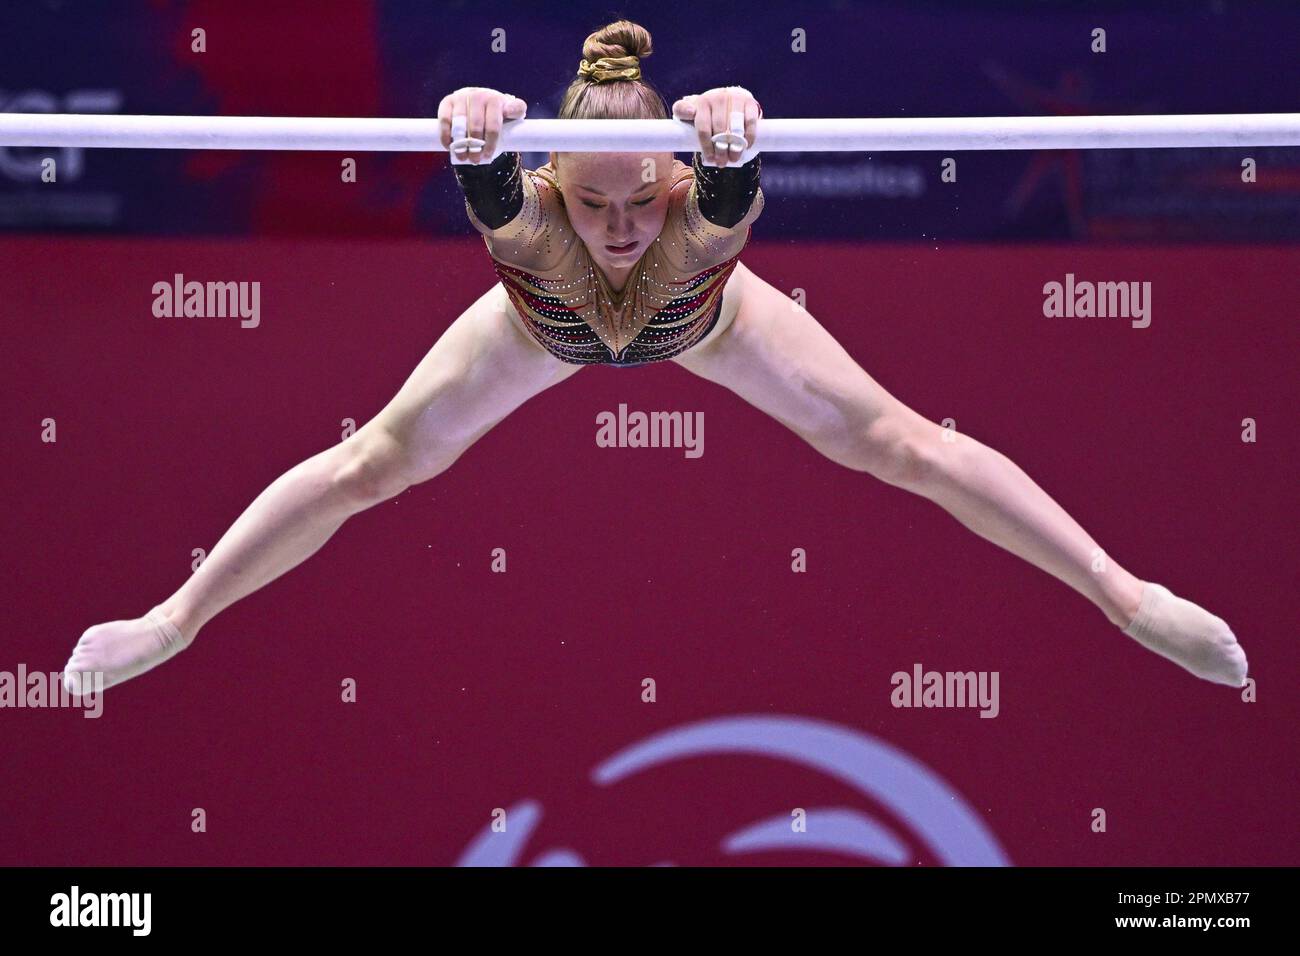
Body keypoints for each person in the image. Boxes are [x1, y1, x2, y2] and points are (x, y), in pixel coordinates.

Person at [62, 19, 1247, 695]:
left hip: (709, 322)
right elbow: (491, 170)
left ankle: (1121, 592)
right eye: (591, 204)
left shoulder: (702, 206)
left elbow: (724, 182)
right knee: (371, 462)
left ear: (679, 179)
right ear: (548, 184)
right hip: (540, 328)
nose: (621, 227)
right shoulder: (525, 214)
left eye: (643, 201)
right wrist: (472, 122)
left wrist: (730, 130)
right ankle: (175, 619)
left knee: (897, 444)